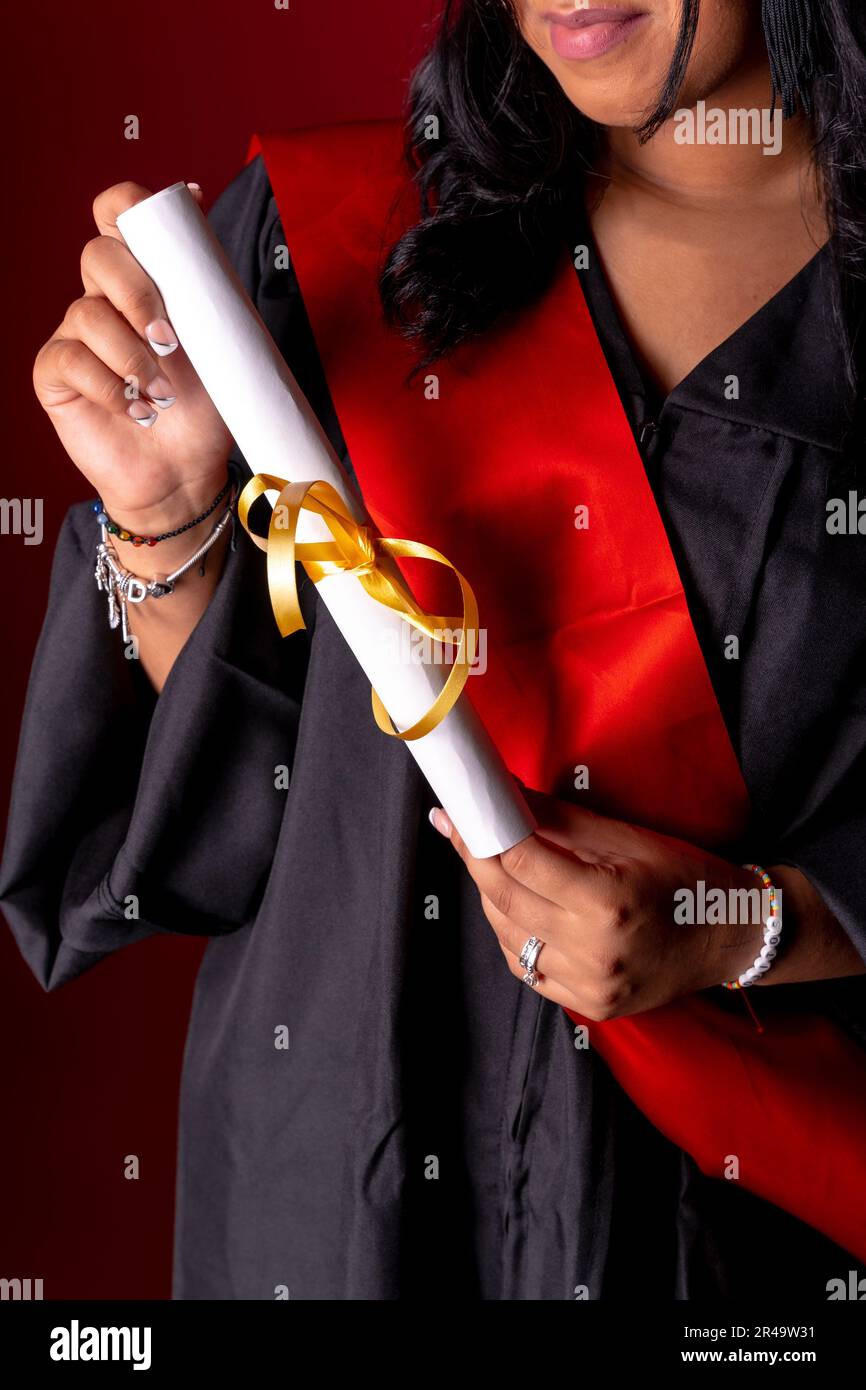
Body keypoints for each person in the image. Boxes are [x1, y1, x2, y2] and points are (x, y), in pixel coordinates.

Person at [3, 0, 866, 1299]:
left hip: (709, 1223)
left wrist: (727, 929)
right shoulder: (332, 233)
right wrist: (167, 521)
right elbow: (251, 805)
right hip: (331, 1170)